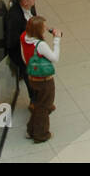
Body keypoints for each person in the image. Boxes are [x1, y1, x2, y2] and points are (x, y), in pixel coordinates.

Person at [22, 15, 61, 144]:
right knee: (44, 107)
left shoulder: (24, 37)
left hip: (32, 77)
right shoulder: (40, 45)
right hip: (44, 80)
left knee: (38, 104)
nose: (46, 28)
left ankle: (30, 130)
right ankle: (41, 134)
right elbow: (54, 58)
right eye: (43, 27)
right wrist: (57, 39)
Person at [3, 0, 37, 103]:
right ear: (25, 2)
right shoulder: (15, 17)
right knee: (29, 72)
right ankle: (34, 99)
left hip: (28, 46)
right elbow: (12, 41)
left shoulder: (28, 9)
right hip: (19, 51)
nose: (35, 0)